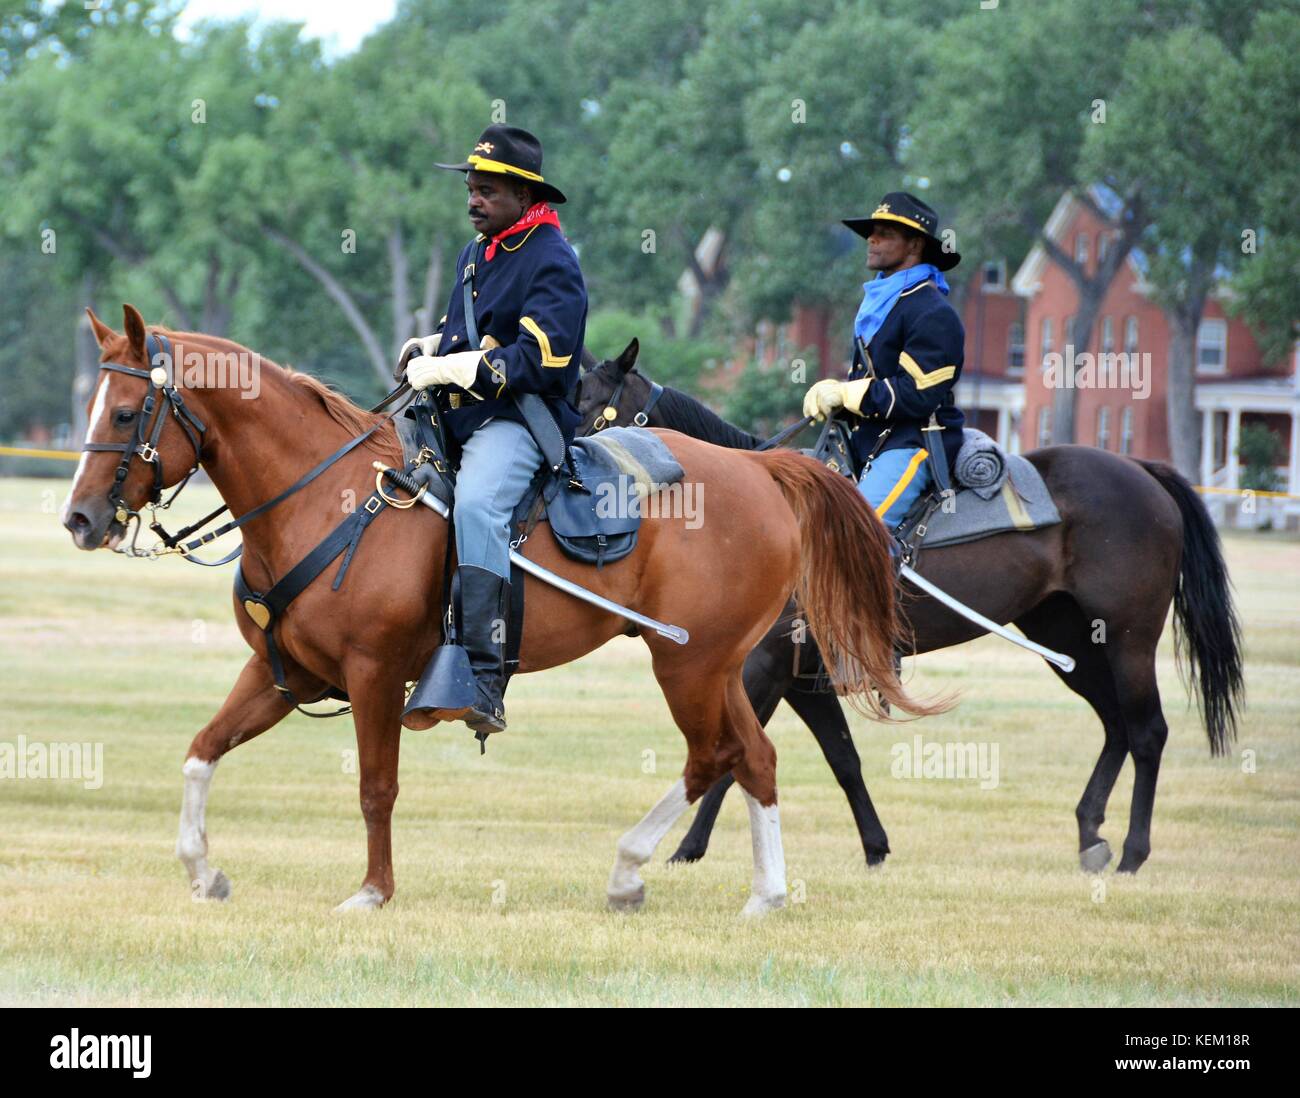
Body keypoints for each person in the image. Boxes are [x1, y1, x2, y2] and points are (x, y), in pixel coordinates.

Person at [399, 125, 587, 735]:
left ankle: (483, 676)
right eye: (470, 190)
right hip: (461, 413)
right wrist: (434, 346)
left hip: (518, 418)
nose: (472, 200)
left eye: (485, 191)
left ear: (523, 194)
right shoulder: (478, 251)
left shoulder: (551, 257)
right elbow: (470, 329)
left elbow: (544, 357)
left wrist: (458, 365)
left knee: (477, 506)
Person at [803, 191, 966, 528]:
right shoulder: (884, 301)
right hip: (870, 443)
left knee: (854, 535)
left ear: (915, 245)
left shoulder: (932, 311)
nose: (871, 240)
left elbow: (916, 395)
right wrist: (835, 397)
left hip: (913, 444)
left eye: (885, 233)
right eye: (872, 232)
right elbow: (876, 382)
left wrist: (848, 393)